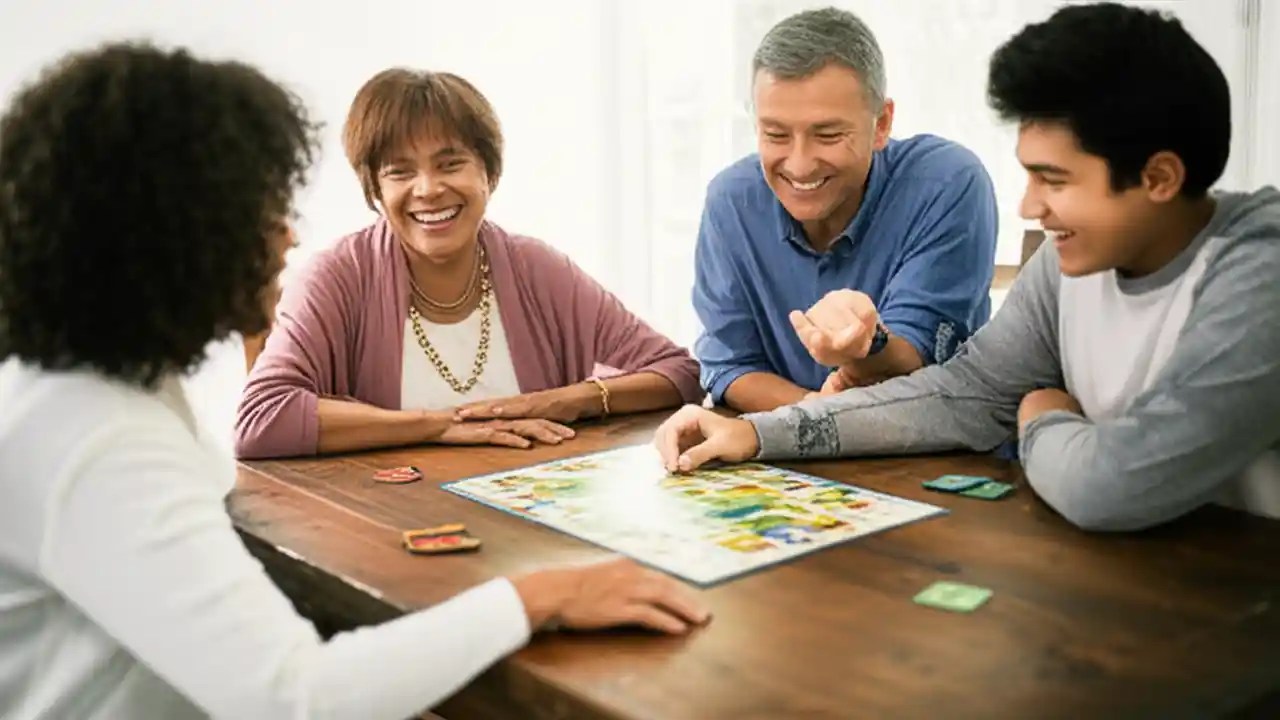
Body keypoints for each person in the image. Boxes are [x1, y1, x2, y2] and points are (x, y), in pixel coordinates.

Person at [0, 43, 708, 720]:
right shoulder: (94, 439)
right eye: (256, 209)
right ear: (170, 236)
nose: (286, 235)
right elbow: (297, 698)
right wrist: (538, 597)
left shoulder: (115, 390)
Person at [654, 2, 1280, 531]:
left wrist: (1040, 414)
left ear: (1160, 177)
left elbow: (1110, 487)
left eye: (1053, 180)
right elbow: (963, 394)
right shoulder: (1071, 266)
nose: (1030, 206)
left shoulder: (1261, 272)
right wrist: (757, 436)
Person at [235, 69, 702, 459]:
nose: (428, 189)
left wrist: (568, 400)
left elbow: (678, 374)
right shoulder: (337, 277)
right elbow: (261, 420)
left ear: (489, 173)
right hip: (387, 529)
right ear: (375, 191)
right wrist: (435, 426)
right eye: (400, 171)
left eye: (450, 163)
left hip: (527, 522)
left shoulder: (535, 268)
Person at [692, 6, 998, 413]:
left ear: (882, 122)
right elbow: (729, 366)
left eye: (828, 134)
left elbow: (917, 356)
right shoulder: (731, 201)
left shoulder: (947, 182)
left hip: (931, 453)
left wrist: (867, 345)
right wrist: (817, 417)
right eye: (775, 134)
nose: (799, 165)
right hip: (781, 449)